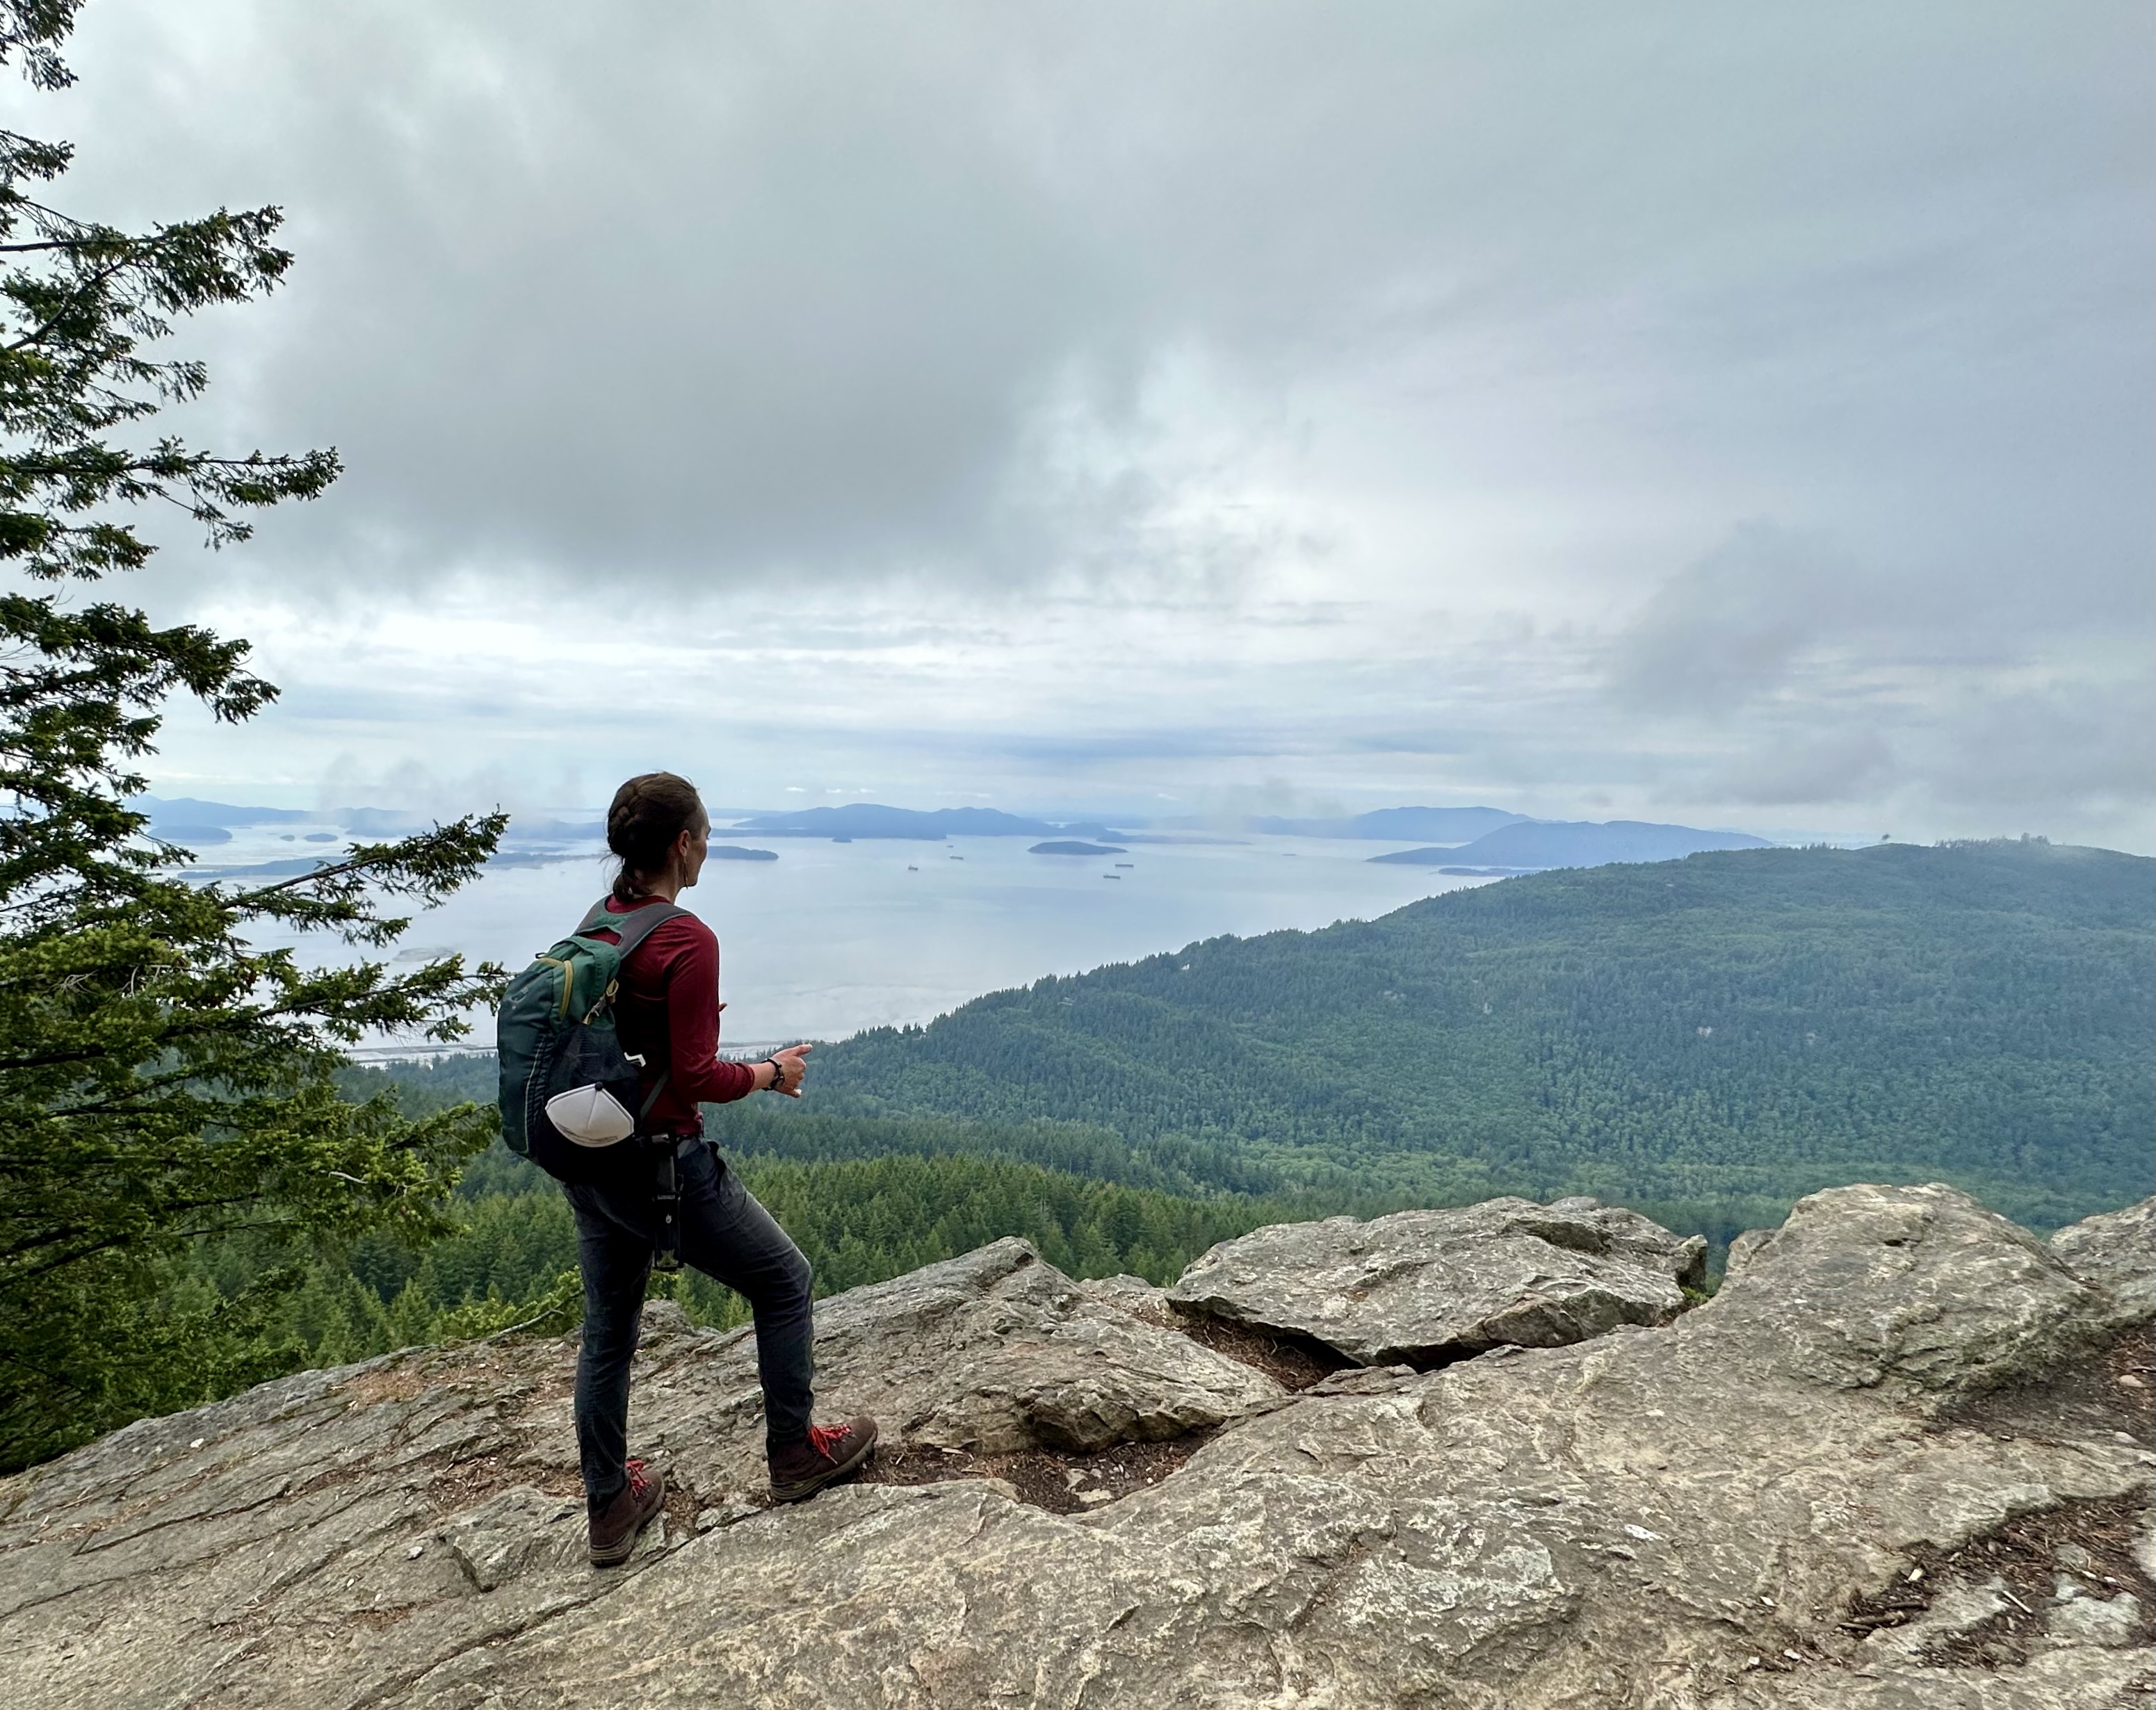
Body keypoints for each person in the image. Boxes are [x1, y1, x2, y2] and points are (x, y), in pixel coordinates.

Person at [568, 771, 877, 1567]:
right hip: (664, 1164)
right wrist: (772, 1072)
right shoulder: (687, 937)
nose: (707, 848)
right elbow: (699, 1079)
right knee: (784, 1280)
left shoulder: (603, 922)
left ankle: (609, 1504)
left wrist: (687, 1030)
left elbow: (628, 1035)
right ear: (682, 843)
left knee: (608, 1329)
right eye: (704, 835)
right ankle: (794, 1455)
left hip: (593, 1158)